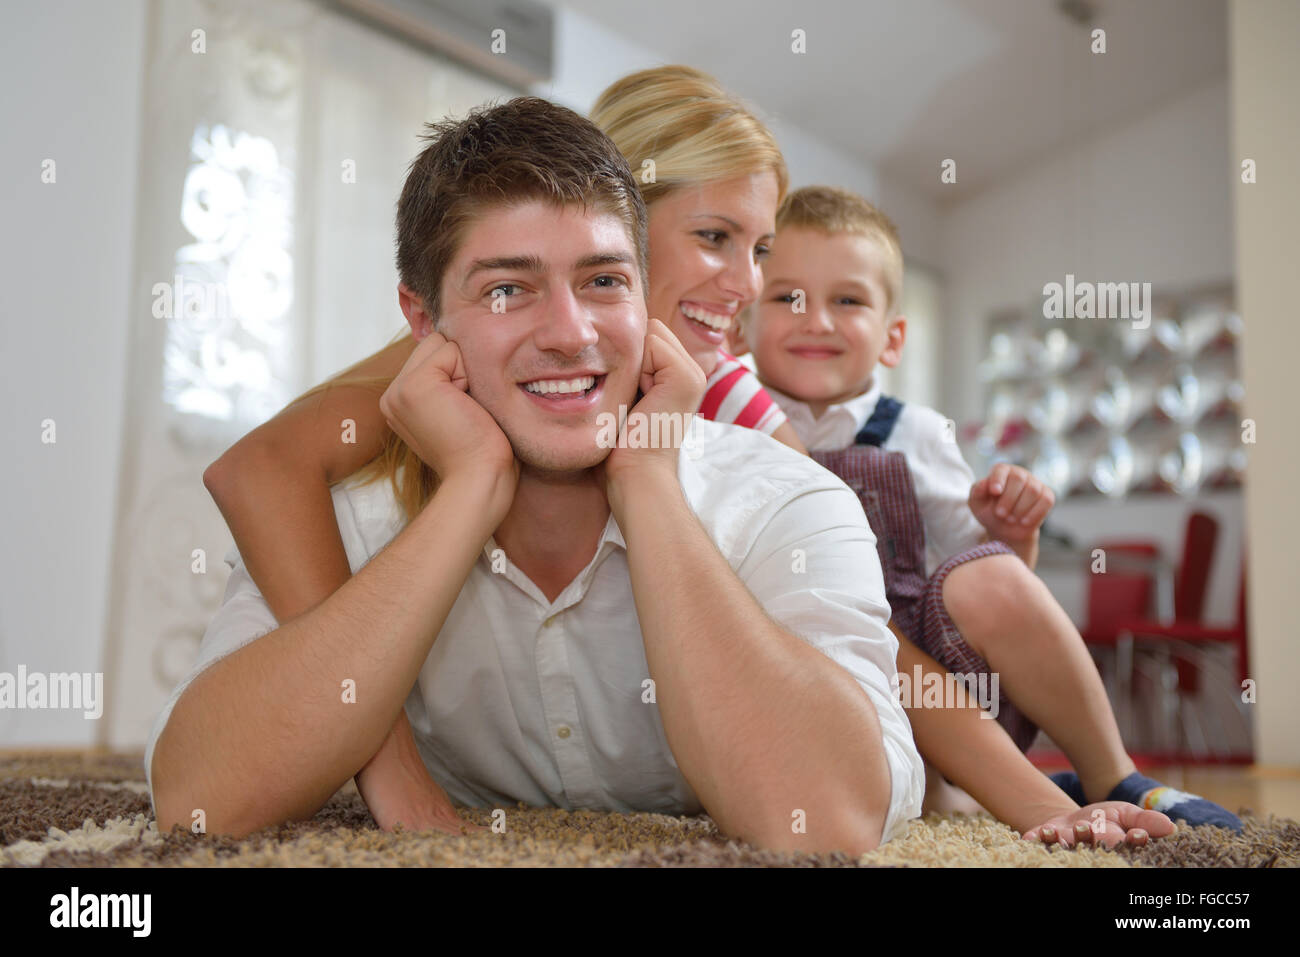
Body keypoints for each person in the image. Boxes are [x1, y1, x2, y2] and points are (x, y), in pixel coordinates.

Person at [147, 97, 926, 855]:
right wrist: (469, 493)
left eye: (603, 281)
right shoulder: (351, 519)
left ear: (644, 294)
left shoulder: (785, 502)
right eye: (507, 289)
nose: (569, 333)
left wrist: (646, 482)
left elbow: (826, 820)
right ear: (423, 323)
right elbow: (202, 799)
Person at [744, 184, 1242, 834]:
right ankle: (1002, 789)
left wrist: (1012, 536)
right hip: (806, 685)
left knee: (987, 571)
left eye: (848, 299)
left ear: (893, 338)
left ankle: (1112, 772)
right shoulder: (731, 430)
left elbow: (992, 582)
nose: (817, 320)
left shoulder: (918, 432)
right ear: (743, 317)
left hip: (941, 687)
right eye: (788, 297)